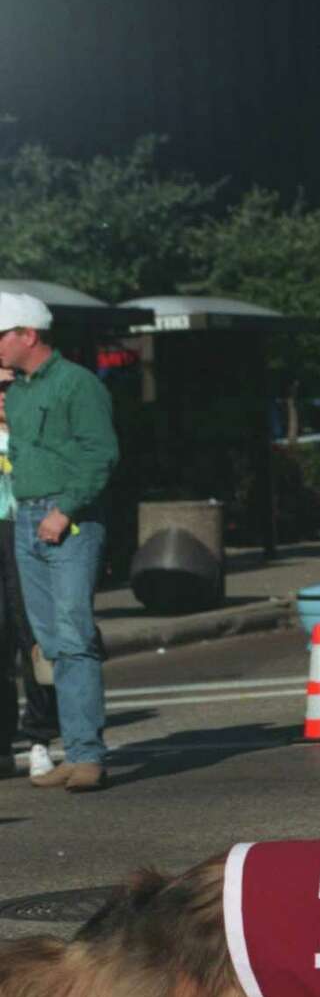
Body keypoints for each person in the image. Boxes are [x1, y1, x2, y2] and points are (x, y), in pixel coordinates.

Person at [0, 294, 115, 792]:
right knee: (49, 641)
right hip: (25, 517)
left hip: (66, 519)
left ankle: (87, 754)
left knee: (73, 635)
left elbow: (101, 454)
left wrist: (65, 509)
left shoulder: (78, 384)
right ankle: (73, 748)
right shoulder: (20, 392)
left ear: (28, 334)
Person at [0, 375, 59, 781]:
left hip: (25, 534)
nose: (2, 397)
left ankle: (39, 739)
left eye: (7, 387)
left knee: (33, 637)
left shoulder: (37, 433)